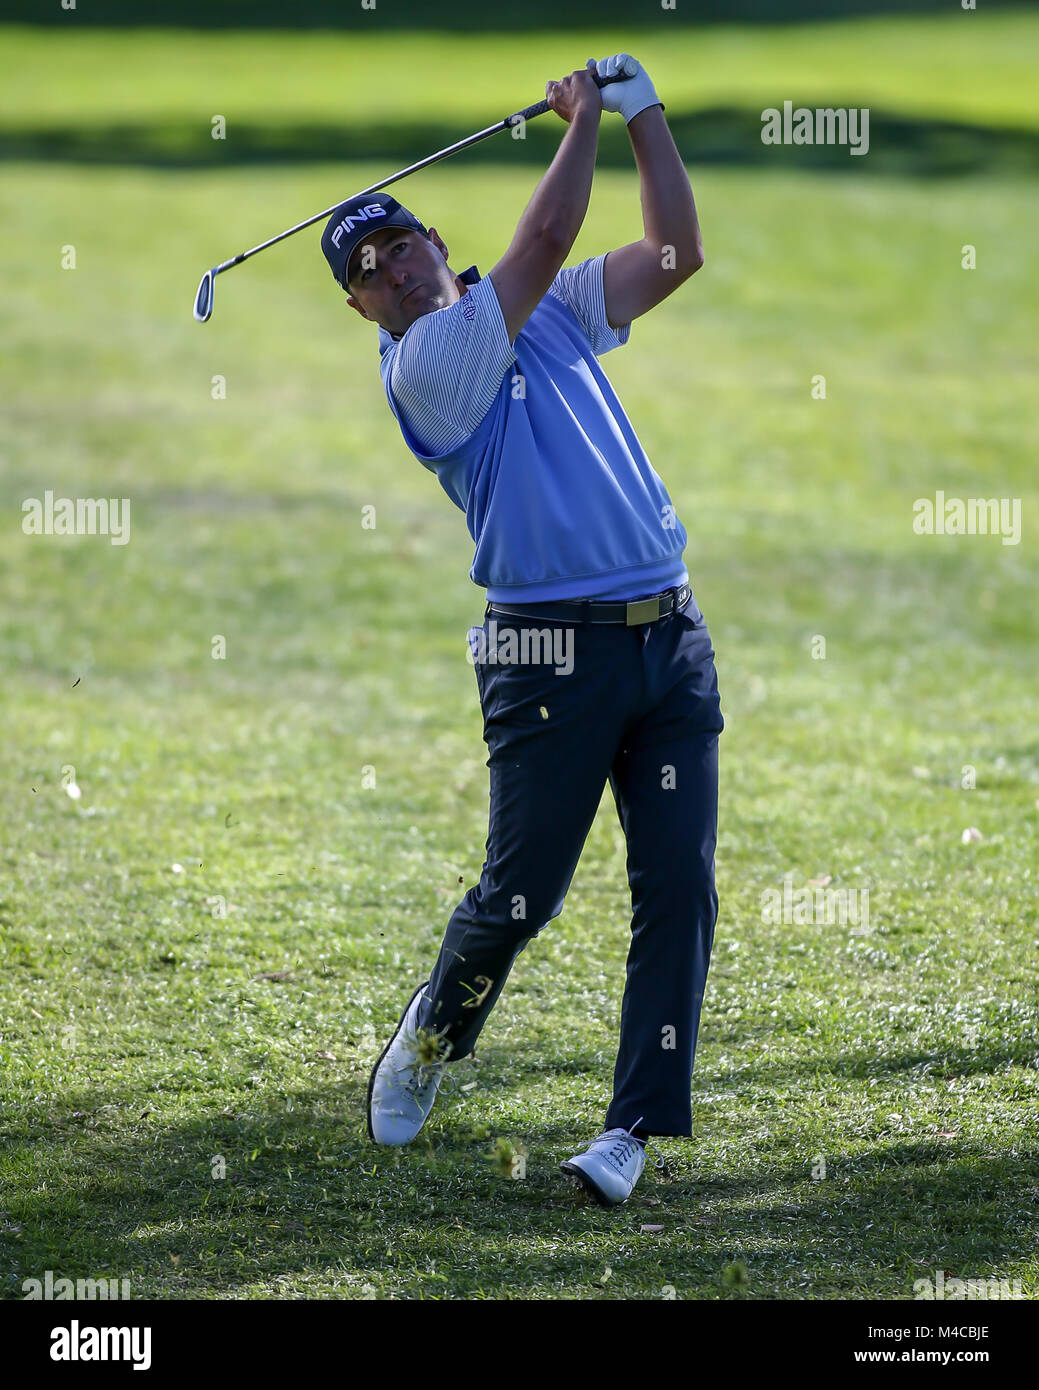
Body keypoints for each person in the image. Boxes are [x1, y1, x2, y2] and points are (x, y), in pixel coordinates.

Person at [320, 55, 723, 1206]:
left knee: (676, 885)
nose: (389, 268)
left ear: (433, 242)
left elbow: (672, 257)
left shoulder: (536, 318)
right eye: (364, 270)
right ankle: (431, 1037)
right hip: (547, 651)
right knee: (520, 893)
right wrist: (584, 116)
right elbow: (543, 240)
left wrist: (647, 120)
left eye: (397, 243)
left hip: (668, 636)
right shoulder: (426, 368)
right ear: (360, 310)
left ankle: (630, 1133)